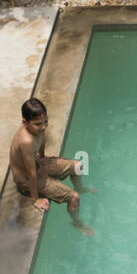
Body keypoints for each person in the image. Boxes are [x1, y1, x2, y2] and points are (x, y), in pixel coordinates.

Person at [9, 96, 94, 235]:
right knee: (74, 197)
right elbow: (31, 173)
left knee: (78, 165)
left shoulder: (37, 128)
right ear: (25, 122)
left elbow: (41, 141)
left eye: (45, 122)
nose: (43, 127)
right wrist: (35, 200)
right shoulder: (26, 141)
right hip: (26, 180)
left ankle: (80, 187)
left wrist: (44, 161)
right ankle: (78, 225)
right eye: (38, 124)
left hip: (38, 165)